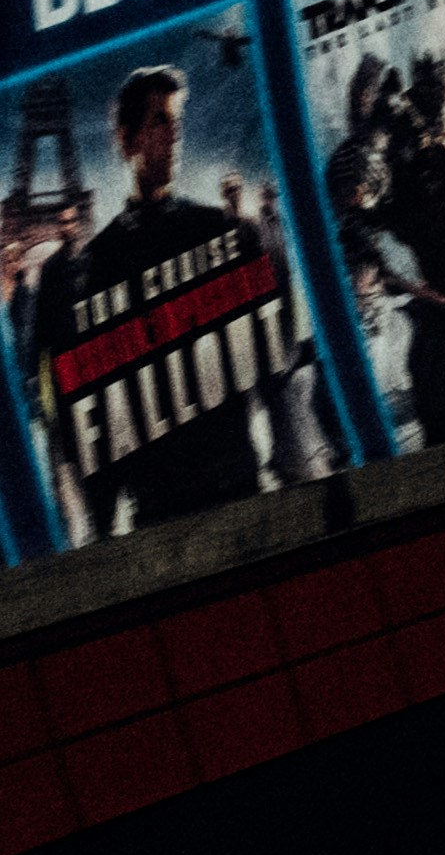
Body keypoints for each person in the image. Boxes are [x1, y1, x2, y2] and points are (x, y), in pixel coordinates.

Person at [18, 63, 316, 530]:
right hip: (160, 508)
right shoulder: (98, 265)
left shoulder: (216, 229)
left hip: (237, 482)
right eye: (160, 121)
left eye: (177, 121)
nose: (174, 135)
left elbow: (276, 369)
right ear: (126, 139)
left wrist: (300, 472)